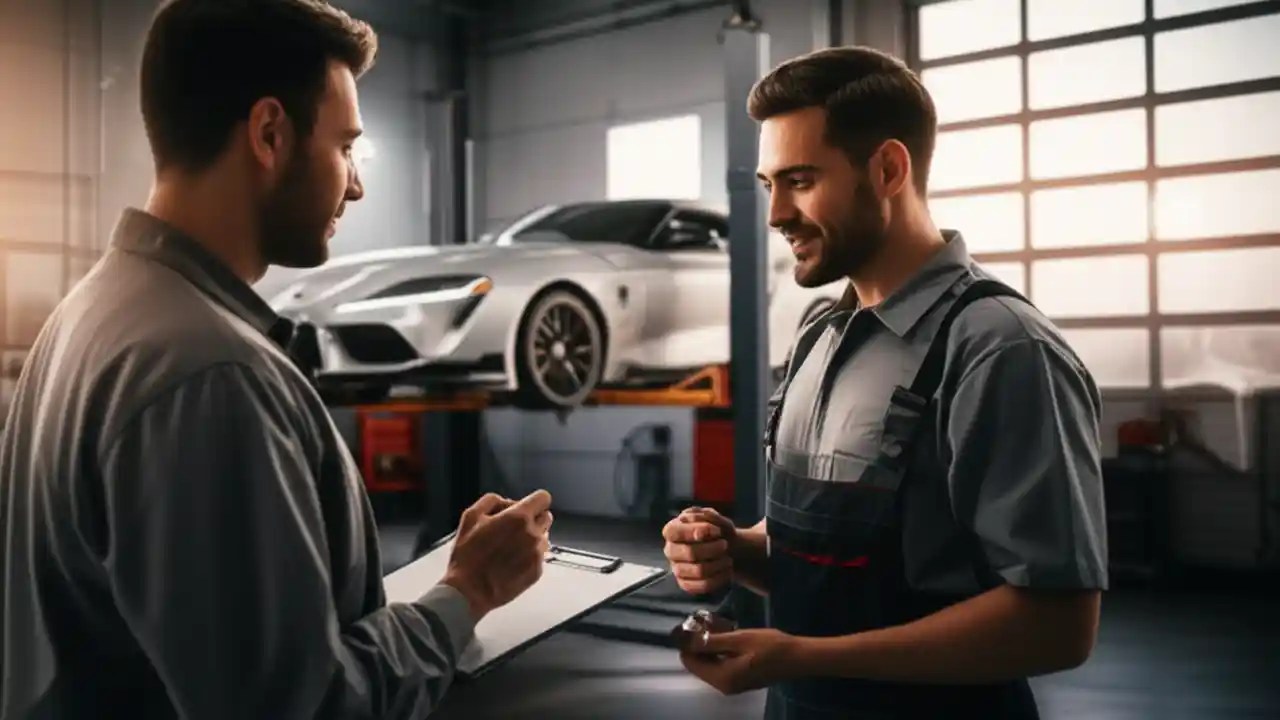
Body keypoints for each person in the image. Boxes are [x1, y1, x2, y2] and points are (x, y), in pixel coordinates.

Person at [0, 1, 554, 718]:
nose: (356, 184)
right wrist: (466, 595)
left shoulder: (88, 316)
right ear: (269, 134)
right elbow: (299, 705)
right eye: (345, 146)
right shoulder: (208, 376)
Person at [662, 46, 1107, 719]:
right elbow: (822, 550)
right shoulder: (820, 336)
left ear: (889, 169)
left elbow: (1058, 621)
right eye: (767, 185)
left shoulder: (1001, 350)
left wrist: (808, 658)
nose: (776, 212)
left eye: (801, 180)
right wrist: (733, 548)